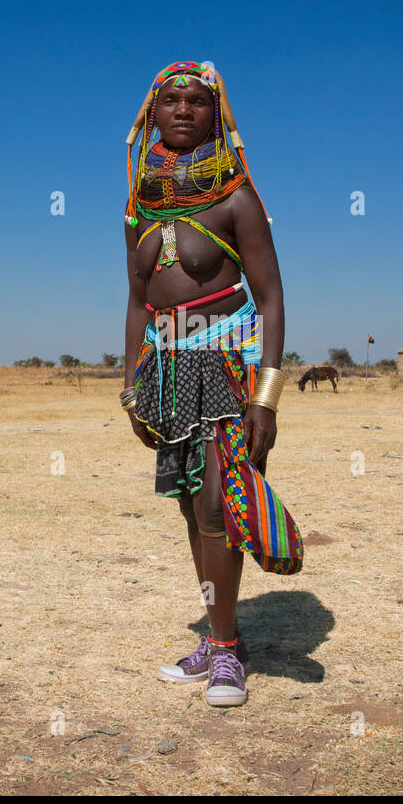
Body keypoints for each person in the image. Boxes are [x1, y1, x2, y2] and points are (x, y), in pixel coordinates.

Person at [120, 61, 303, 708]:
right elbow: (138, 304)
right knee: (189, 508)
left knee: (219, 508)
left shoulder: (237, 199)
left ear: (215, 115)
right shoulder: (139, 206)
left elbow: (273, 298)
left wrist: (267, 398)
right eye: (171, 100)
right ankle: (219, 637)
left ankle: (224, 654)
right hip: (166, 372)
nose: (182, 110)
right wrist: (131, 385)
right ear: (153, 114)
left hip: (225, 365)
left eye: (197, 101)